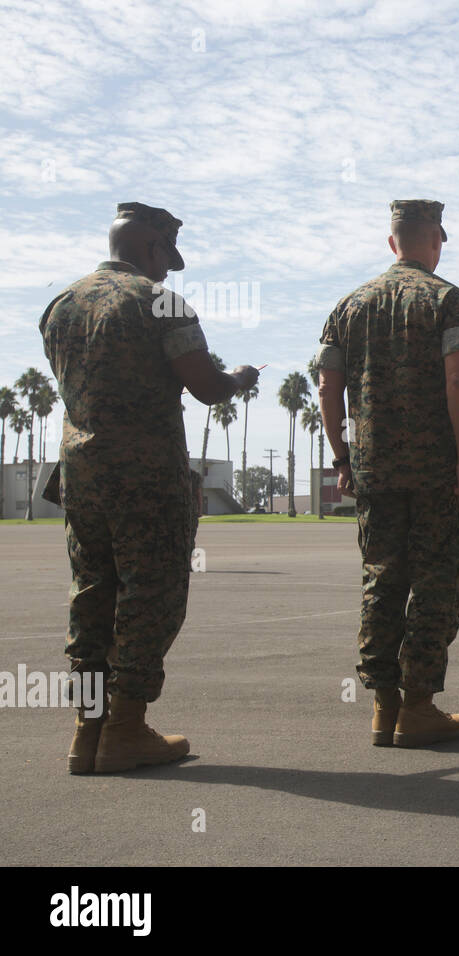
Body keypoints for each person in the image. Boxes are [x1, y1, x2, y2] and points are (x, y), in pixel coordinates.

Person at [41, 201, 260, 774]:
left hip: (81, 475)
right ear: (152, 248)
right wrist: (239, 377)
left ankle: (86, 731)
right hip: (144, 475)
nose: (168, 270)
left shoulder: (61, 304)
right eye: (167, 256)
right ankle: (128, 727)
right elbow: (206, 386)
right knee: (150, 592)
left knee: (92, 595)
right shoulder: (160, 303)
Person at [318, 199, 459, 748]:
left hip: (375, 471)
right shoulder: (450, 301)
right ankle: (418, 707)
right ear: (434, 239)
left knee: (382, 580)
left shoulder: (349, 306)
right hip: (436, 472)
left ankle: (383, 708)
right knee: (437, 583)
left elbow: (327, 389)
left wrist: (343, 459)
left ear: (393, 242)